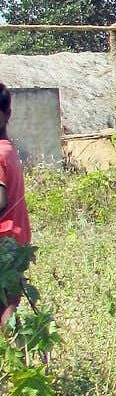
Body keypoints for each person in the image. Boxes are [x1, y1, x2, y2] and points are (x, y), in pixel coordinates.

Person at [0, 84, 33, 326]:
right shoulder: (9, 150)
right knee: (8, 312)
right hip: (17, 242)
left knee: (5, 313)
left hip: (3, 243)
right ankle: (21, 361)